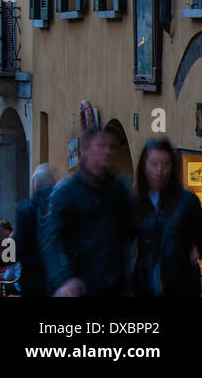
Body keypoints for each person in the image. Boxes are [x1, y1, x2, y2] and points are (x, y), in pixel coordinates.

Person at [42, 126, 135, 297]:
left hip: (115, 284)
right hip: (79, 285)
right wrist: (65, 278)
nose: (107, 152)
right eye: (100, 147)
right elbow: (53, 239)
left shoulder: (118, 190)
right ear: (84, 150)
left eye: (111, 147)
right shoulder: (67, 192)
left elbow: (133, 229)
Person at [133, 137, 202, 297]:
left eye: (166, 164)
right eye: (154, 164)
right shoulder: (134, 203)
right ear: (144, 166)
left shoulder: (187, 202)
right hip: (146, 286)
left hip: (182, 286)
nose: (160, 170)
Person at [14, 163, 56, 296]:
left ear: (35, 185)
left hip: (32, 278)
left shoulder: (24, 211)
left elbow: (18, 247)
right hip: (56, 277)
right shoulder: (61, 207)